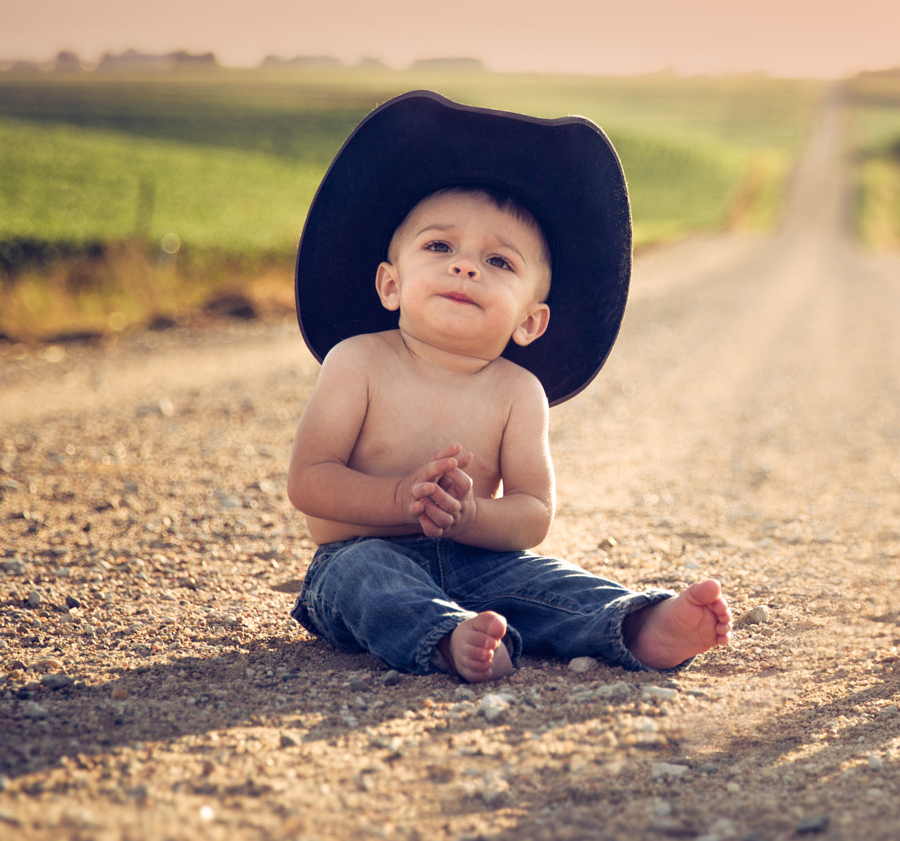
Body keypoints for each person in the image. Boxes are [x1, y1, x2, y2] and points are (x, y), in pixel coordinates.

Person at [283, 91, 729, 681]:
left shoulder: (518, 392)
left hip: (479, 560)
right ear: (390, 284)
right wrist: (399, 502)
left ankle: (638, 626)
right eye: (439, 247)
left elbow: (532, 513)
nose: (465, 266)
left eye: (500, 262)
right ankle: (444, 637)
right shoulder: (357, 362)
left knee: (547, 581)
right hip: (360, 549)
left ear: (529, 320)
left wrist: (468, 517)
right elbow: (309, 482)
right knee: (364, 582)